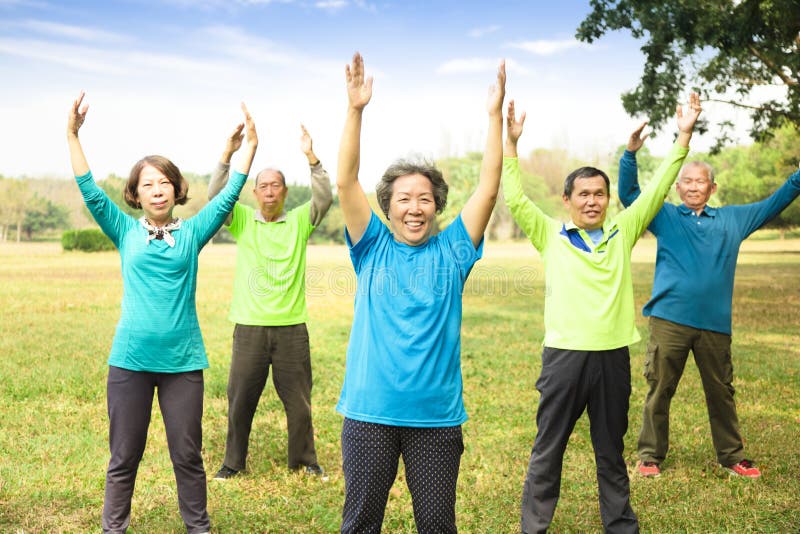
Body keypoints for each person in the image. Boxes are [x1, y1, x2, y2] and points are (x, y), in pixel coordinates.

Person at [503, 94, 701, 533]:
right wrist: (511, 144)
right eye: (583, 194)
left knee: (610, 450)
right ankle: (533, 526)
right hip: (564, 358)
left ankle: (620, 524)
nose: (592, 201)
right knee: (549, 446)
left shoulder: (623, 229)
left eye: (599, 194)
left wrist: (683, 135)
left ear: (609, 199)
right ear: (567, 199)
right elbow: (514, 198)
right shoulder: (550, 234)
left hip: (612, 357)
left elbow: (658, 188)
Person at [67, 92, 258, 534]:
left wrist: (247, 147)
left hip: (183, 363)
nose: (157, 189)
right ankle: (113, 528)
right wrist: (72, 135)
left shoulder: (192, 233)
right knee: (123, 457)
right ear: (136, 193)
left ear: (176, 189)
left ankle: (198, 528)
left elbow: (228, 197)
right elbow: (89, 190)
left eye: (164, 182)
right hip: (129, 362)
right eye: (148, 184)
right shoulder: (123, 229)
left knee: (187, 457)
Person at [335, 52, 505, 533]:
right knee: (361, 523)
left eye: (424, 199)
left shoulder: (454, 251)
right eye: (404, 199)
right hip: (370, 412)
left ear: (437, 206)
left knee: (436, 524)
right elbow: (345, 180)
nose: (414, 208)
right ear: (387, 207)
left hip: (435, 417)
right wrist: (355, 110)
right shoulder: (371, 246)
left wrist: (494, 117)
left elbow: (488, 189)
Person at [619, 123, 800, 480]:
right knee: (660, 389)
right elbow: (629, 194)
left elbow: (777, 201)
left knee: (721, 392)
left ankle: (732, 456)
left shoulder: (733, 220)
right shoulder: (665, 216)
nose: (692, 187)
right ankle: (650, 456)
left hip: (714, 324)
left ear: (712, 188)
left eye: (700, 182)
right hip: (669, 320)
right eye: (686, 181)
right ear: (677, 187)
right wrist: (630, 154)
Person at [208, 124, 333, 480]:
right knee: (240, 400)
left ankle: (304, 460)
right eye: (262, 186)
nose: (268, 191)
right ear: (254, 192)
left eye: (275, 185)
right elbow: (216, 199)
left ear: (285, 191)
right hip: (249, 327)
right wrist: (227, 155)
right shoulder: (242, 220)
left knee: (299, 402)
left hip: (291, 328)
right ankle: (233, 463)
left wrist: (312, 157)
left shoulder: (300, 221)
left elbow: (324, 198)